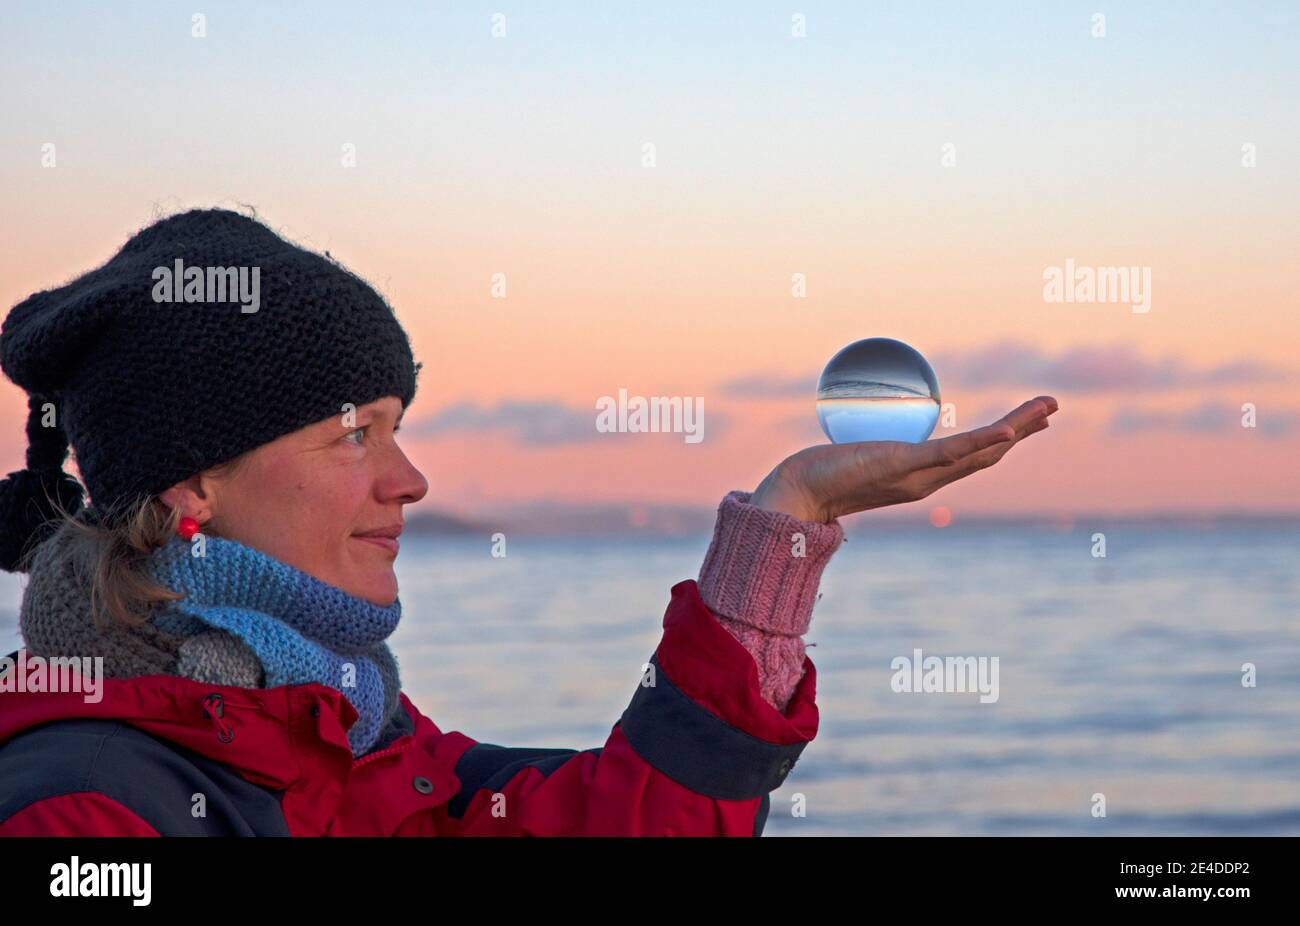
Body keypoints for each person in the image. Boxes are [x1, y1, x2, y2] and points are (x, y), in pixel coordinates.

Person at [0, 209, 1056, 835]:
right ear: (194, 485)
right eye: (352, 434)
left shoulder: (353, 732)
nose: (410, 479)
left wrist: (788, 518)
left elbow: (621, 818)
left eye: (397, 427)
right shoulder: (87, 809)